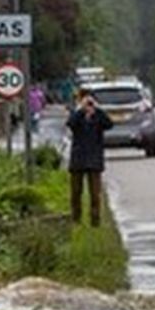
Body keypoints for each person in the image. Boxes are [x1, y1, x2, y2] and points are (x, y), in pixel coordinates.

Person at [66, 89, 113, 227]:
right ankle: (76, 219)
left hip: (94, 159)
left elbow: (109, 124)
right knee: (75, 193)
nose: (88, 103)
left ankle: (95, 221)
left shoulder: (98, 115)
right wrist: (81, 110)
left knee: (95, 194)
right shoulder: (77, 114)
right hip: (78, 159)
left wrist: (98, 109)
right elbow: (71, 124)